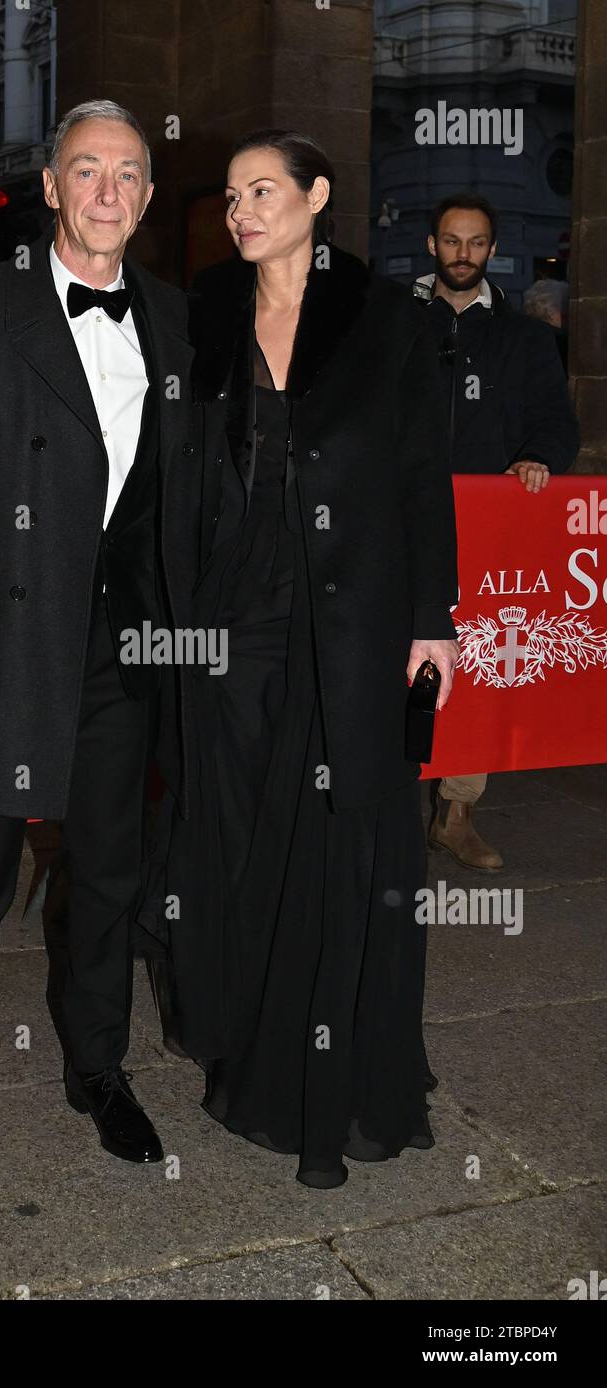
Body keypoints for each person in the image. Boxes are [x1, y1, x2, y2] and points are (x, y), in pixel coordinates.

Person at [0, 100, 199, 1212]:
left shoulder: (172, 315)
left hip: (121, 649)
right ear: (52, 189)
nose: (106, 190)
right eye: (85, 170)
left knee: (107, 875)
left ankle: (96, 1067)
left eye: (126, 172)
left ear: (147, 198)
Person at [140, 130, 460, 1189]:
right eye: (230, 194)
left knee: (341, 834)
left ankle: (333, 1069)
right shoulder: (208, 311)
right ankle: (246, 1024)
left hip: (354, 616)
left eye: (262, 189)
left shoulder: (383, 317)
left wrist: (432, 618)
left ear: (317, 197)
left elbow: (420, 474)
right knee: (235, 818)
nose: (240, 209)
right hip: (233, 612)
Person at [415, 194, 579, 871]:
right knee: (397, 660)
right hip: (400, 517)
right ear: (432, 246)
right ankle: (392, 808)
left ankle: (457, 813)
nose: (463, 253)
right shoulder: (393, 327)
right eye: (451, 241)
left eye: (476, 243)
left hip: (488, 528)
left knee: (477, 664)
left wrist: (538, 456)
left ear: (491, 250)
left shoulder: (527, 338)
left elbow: (557, 422)